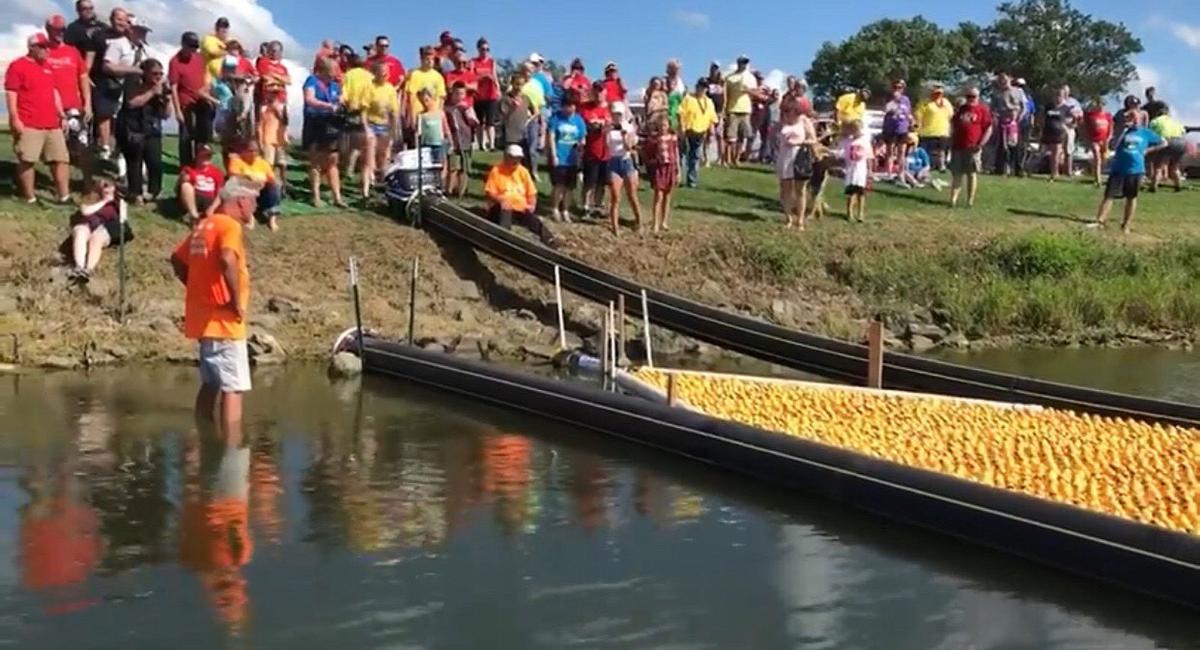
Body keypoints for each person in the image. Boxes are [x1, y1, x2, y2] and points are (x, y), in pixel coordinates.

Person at [171, 176, 260, 429]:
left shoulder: (204, 225)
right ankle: (233, 448)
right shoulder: (230, 227)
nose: (255, 207)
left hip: (204, 319)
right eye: (253, 201)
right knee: (234, 387)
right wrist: (234, 301)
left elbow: (177, 259)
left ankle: (205, 432)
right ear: (241, 201)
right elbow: (226, 258)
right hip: (225, 321)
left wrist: (195, 286)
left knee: (211, 383)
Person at [5, 34, 68, 205]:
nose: (46, 50)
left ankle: (64, 196)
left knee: (60, 159)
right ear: (31, 47)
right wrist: (14, 118)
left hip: (51, 123)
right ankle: (30, 197)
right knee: (27, 160)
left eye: (47, 47)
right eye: (41, 47)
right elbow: (12, 92)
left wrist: (61, 114)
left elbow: (54, 91)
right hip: (29, 122)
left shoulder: (48, 67)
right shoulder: (18, 66)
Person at [1093, 110, 1165, 233]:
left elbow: (1164, 142)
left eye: (1134, 117)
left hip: (1135, 169)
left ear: (1141, 119)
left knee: (1131, 197)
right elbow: (1114, 145)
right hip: (1118, 168)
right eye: (1129, 117)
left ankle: (1126, 224)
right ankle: (1100, 221)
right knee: (1109, 195)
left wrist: (1148, 150)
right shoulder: (1124, 132)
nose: (1131, 119)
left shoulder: (1145, 133)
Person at [117, 58, 169, 205]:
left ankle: (154, 191)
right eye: (154, 74)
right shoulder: (133, 83)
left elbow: (166, 115)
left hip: (152, 130)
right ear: (145, 73)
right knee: (135, 162)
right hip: (132, 129)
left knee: (155, 163)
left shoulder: (160, 89)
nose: (158, 77)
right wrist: (152, 92)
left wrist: (167, 98)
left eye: (160, 74)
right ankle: (135, 193)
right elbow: (132, 103)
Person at [95, 8, 142, 167]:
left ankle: (119, 151)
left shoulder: (138, 47)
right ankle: (106, 147)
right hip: (110, 83)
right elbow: (107, 66)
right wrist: (134, 70)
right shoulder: (113, 41)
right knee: (106, 114)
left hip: (128, 87)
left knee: (122, 121)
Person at [484, 145, 557, 247]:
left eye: (518, 158)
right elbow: (489, 192)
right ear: (507, 157)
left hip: (519, 208)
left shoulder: (523, 171)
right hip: (501, 208)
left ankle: (549, 240)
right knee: (506, 208)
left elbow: (531, 193)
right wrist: (500, 199)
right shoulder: (496, 171)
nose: (516, 161)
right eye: (514, 158)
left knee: (532, 218)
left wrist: (532, 204)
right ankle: (504, 241)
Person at [65, 177, 131, 282]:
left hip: (106, 228)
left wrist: (119, 203)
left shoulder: (118, 203)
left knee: (97, 237)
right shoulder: (90, 200)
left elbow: (123, 220)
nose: (108, 190)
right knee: (80, 231)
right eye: (105, 187)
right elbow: (85, 211)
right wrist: (104, 202)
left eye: (110, 187)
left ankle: (88, 269)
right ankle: (79, 267)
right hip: (88, 224)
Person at [302, 57, 345, 207]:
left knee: (333, 161)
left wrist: (341, 102)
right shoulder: (312, 81)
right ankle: (316, 196)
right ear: (324, 71)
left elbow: (340, 99)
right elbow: (309, 99)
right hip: (315, 123)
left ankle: (337, 197)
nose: (334, 76)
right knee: (316, 161)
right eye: (332, 72)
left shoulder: (335, 85)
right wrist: (327, 106)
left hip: (331, 124)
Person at [170, 32, 216, 168]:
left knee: (203, 135)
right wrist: (177, 111)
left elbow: (206, 77)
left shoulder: (200, 58)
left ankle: (200, 164)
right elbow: (173, 87)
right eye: (191, 47)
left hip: (202, 100)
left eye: (195, 48)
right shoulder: (175, 62)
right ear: (183, 44)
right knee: (185, 135)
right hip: (185, 101)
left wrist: (209, 94)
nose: (193, 51)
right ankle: (185, 166)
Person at [949, 87, 993, 209]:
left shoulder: (982, 110)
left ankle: (970, 201)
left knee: (971, 174)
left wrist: (980, 144)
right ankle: (953, 200)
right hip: (958, 145)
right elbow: (953, 124)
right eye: (968, 96)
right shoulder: (961, 110)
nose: (970, 99)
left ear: (978, 97)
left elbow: (988, 128)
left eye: (973, 96)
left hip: (973, 147)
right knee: (957, 173)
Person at [363, 61, 400, 200]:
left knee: (384, 157)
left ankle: (384, 187)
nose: (385, 75)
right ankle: (366, 190)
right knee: (369, 157)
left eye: (386, 73)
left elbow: (394, 111)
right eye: (382, 72)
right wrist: (366, 127)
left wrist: (393, 131)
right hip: (372, 124)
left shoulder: (390, 88)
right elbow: (364, 110)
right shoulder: (370, 87)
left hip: (385, 125)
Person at [775, 106, 816, 230]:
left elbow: (813, 140)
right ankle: (788, 218)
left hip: (799, 156)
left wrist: (799, 142)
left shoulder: (804, 121)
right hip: (784, 156)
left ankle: (800, 220)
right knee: (785, 188)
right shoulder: (783, 120)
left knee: (800, 189)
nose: (789, 113)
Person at [546, 93, 585, 221]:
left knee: (569, 187)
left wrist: (581, 144)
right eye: (567, 106)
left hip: (572, 158)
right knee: (559, 185)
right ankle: (555, 208)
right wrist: (553, 154)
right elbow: (551, 136)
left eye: (573, 106)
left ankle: (565, 210)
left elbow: (582, 137)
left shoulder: (578, 120)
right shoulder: (556, 118)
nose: (570, 109)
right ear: (563, 106)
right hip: (559, 156)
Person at [228, 141, 281, 230]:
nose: (253, 153)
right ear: (244, 151)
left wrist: (264, 180)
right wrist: (248, 177)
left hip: (261, 190)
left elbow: (272, 179)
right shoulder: (236, 161)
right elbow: (232, 175)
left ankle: (272, 218)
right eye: (250, 151)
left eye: (256, 151)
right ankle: (250, 218)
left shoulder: (263, 163)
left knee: (275, 187)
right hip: (244, 191)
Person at [580, 83, 614, 221]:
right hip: (591, 150)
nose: (599, 94)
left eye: (601, 91)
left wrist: (603, 125)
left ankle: (598, 206)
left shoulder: (610, 109)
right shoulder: (586, 108)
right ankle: (585, 207)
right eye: (596, 92)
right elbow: (587, 126)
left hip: (606, 152)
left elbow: (614, 124)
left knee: (602, 182)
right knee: (589, 182)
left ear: (605, 92)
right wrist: (598, 125)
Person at [607, 102, 643, 232]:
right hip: (613, 161)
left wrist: (624, 136)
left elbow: (629, 147)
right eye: (614, 114)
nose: (616, 116)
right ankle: (614, 227)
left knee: (632, 195)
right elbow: (606, 145)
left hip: (626, 160)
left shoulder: (628, 127)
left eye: (619, 114)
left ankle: (639, 222)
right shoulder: (609, 128)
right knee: (615, 196)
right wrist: (607, 130)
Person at [642, 114, 679, 233]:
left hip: (671, 167)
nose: (663, 127)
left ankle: (664, 222)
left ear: (668, 126)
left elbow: (676, 153)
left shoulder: (673, 138)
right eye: (661, 125)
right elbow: (647, 153)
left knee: (667, 196)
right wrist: (652, 162)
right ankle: (655, 223)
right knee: (658, 196)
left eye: (665, 125)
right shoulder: (654, 139)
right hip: (660, 168)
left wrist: (678, 170)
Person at [404, 46, 447, 147]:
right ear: (421, 59)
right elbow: (410, 96)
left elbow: (441, 97)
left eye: (432, 59)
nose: (429, 61)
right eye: (427, 59)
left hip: (433, 115)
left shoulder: (438, 76)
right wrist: (411, 116)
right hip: (418, 114)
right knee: (419, 144)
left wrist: (439, 113)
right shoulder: (415, 74)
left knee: (434, 143)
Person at [680, 78, 717, 188]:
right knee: (684, 155)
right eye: (700, 86)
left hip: (701, 131)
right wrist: (682, 128)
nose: (702, 89)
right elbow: (680, 113)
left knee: (695, 156)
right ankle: (679, 177)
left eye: (704, 87)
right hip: (689, 130)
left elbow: (712, 117)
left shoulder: (709, 102)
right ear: (696, 87)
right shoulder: (688, 98)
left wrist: (711, 130)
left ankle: (692, 180)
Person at [445, 82, 479, 198]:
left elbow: (474, 122)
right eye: (457, 93)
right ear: (452, 93)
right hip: (453, 141)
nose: (459, 96)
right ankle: (449, 191)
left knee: (465, 168)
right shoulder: (447, 107)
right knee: (453, 166)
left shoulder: (467, 107)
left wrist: (469, 116)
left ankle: (461, 192)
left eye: (462, 93)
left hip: (465, 140)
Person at [723, 55, 757, 166]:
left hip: (746, 109)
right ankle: (729, 158)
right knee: (731, 136)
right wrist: (725, 109)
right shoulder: (730, 78)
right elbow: (725, 95)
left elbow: (755, 93)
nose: (744, 64)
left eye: (745, 62)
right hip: (733, 108)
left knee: (743, 136)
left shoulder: (751, 77)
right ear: (738, 63)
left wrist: (748, 90)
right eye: (742, 62)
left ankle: (736, 158)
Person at [988, 73, 1026, 176]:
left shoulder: (1017, 91)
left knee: (1016, 146)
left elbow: (1023, 106)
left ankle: (1018, 170)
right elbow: (992, 108)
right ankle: (1000, 169)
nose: (1003, 81)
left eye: (1005, 79)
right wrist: (995, 118)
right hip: (1002, 121)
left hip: (1014, 121)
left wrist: (1018, 119)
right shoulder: (996, 93)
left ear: (1010, 79)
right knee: (1001, 146)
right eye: (1000, 80)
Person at [178, 143, 224, 223]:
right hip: (195, 197)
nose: (207, 158)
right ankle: (194, 216)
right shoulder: (190, 169)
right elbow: (179, 187)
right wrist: (182, 179)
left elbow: (220, 192)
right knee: (186, 185)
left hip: (209, 199)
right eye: (204, 156)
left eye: (209, 156)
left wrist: (212, 207)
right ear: (197, 156)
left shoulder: (217, 172)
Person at [1147, 106, 1187, 193]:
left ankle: (1153, 186)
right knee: (1175, 167)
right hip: (1180, 142)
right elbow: (1183, 132)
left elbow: (1150, 133)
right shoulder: (1176, 122)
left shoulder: (1155, 121)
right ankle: (1178, 186)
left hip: (1165, 141)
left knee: (1158, 166)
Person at [416, 89, 451, 187]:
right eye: (422, 101)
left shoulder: (440, 113)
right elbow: (418, 132)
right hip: (426, 144)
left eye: (427, 100)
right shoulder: (421, 115)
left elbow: (446, 128)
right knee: (427, 166)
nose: (425, 103)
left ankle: (440, 185)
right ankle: (429, 185)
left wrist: (450, 141)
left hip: (438, 143)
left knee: (440, 165)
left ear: (432, 99)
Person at [518, 62, 547, 182]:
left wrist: (542, 121)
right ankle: (521, 172)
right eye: (525, 69)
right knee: (520, 147)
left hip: (534, 118)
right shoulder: (517, 82)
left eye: (530, 70)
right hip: (519, 118)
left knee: (532, 147)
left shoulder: (537, 85)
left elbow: (541, 105)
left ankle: (534, 171)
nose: (527, 72)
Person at [839, 119, 872, 222]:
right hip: (851, 170)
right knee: (850, 192)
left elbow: (869, 156)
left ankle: (860, 213)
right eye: (853, 130)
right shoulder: (847, 142)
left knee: (861, 193)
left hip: (861, 170)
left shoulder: (864, 141)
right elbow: (842, 152)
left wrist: (870, 170)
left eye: (857, 130)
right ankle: (849, 213)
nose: (855, 132)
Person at [916, 84, 953, 172]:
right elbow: (918, 115)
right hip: (926, 132)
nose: (938, 95)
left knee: (941, 151)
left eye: (940, 93)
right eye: (936, 93)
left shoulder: (946, 103)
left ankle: (941, 166)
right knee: (925, 152)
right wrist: (918, 127)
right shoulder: (925, 103)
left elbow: (951, 115)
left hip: (942, 131)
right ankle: (925, 167)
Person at [471, 38, 500, 150]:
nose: (485, 51)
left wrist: (498, 89)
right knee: (479, 122)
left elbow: (494, 76)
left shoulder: (491, 62)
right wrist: (483, 77)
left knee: (490, 122)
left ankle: (492, 144)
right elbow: (472, 77)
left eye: (487, 49)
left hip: (490, 94)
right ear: (478, 49)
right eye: (483, 49)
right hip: (478, 95)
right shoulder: (474, 62)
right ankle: (481, 144)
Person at [881, 80, 912, 177]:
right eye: (895, 87)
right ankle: (889, 173)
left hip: (902, 128)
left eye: (900, 87)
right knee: (890, 151)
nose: (897, 89)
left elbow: (908, 113)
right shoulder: (889, 99)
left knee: (901, 151)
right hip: (890, 128)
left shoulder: (906, 100)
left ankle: (900, 172)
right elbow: (885, 110)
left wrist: (911, 121)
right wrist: (894, 101)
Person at [498, 73, 532, 159]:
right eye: (517, 84)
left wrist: (530, 120)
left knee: (522, 157)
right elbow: (503, 115)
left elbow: (534, 111)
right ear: (512, 84)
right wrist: (512, 107)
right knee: (509, 156)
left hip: (522, 133)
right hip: (510, 133)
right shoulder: (506, 99)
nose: (519, 87)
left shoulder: (525, 98)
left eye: (521, 84)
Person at [1042, 86, 1071, 182]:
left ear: (1063, 96)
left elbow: (1071, 119)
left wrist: (1065, 125)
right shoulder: (1048, 106)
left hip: (1059, 133)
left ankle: (1054, 174)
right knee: (1046, 153)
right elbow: (1042, 118)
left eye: (1060, 95)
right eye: (1056, 95)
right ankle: (1052, 171)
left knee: (1055, 153)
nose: (1057, 97)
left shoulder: (1066, 108)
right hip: (1047, 131)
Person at [750, 71, 779, 163]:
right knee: (752, 135)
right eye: (758, 78)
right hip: (755, 113)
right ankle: (747, 154)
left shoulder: (766, 88)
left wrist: (767, 98)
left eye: (761, 78)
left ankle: (762, 156)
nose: (760, 80)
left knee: (765, 136)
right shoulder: (752, 87)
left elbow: (772, 98)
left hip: (765, 113)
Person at [1083, 98, 1113, 187]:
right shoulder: (1091, 115)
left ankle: (1094, 171)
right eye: (1099, 104)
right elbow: (1086, 127)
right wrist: (1087, 139)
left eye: (1103, 104)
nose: (1101, 106)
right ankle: (1098, 180)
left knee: (1104, 159)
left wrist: (1108, 139)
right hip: (1094, 139)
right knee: (1097, 157)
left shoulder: (1107, 116)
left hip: (1104, 140)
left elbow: (1110, 129)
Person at [1059, 85, 1083, 178]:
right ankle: (1056, 171)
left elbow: (1080, 114)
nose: (1065, 93)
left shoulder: (1073, 102)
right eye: (1063, 91)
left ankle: (1068, 171)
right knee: (1058, 149)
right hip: (1059, 126)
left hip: (1070, 127)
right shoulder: (1058, 101)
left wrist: (1076, 120)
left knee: (1069, 150)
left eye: (1066, 91)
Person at [706, 62, 726, 166]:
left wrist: (723, 111)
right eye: (713, 68)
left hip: (719, 112)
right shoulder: (707, 81)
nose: (714, 70)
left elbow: (724, 97)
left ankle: (721, 159)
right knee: (709, 135)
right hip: (709, 111)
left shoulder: (722, 82)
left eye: (716, 68)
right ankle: (707, 159)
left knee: (720, 135)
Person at [201, 17, 229, 83]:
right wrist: (227, 52)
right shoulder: (208, 39)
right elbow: (211, 51)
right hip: (211, 79)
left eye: (226, 27)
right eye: (221, 26)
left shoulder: (229, 42)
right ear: (216, 28)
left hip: (226, 80)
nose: (224, 29)